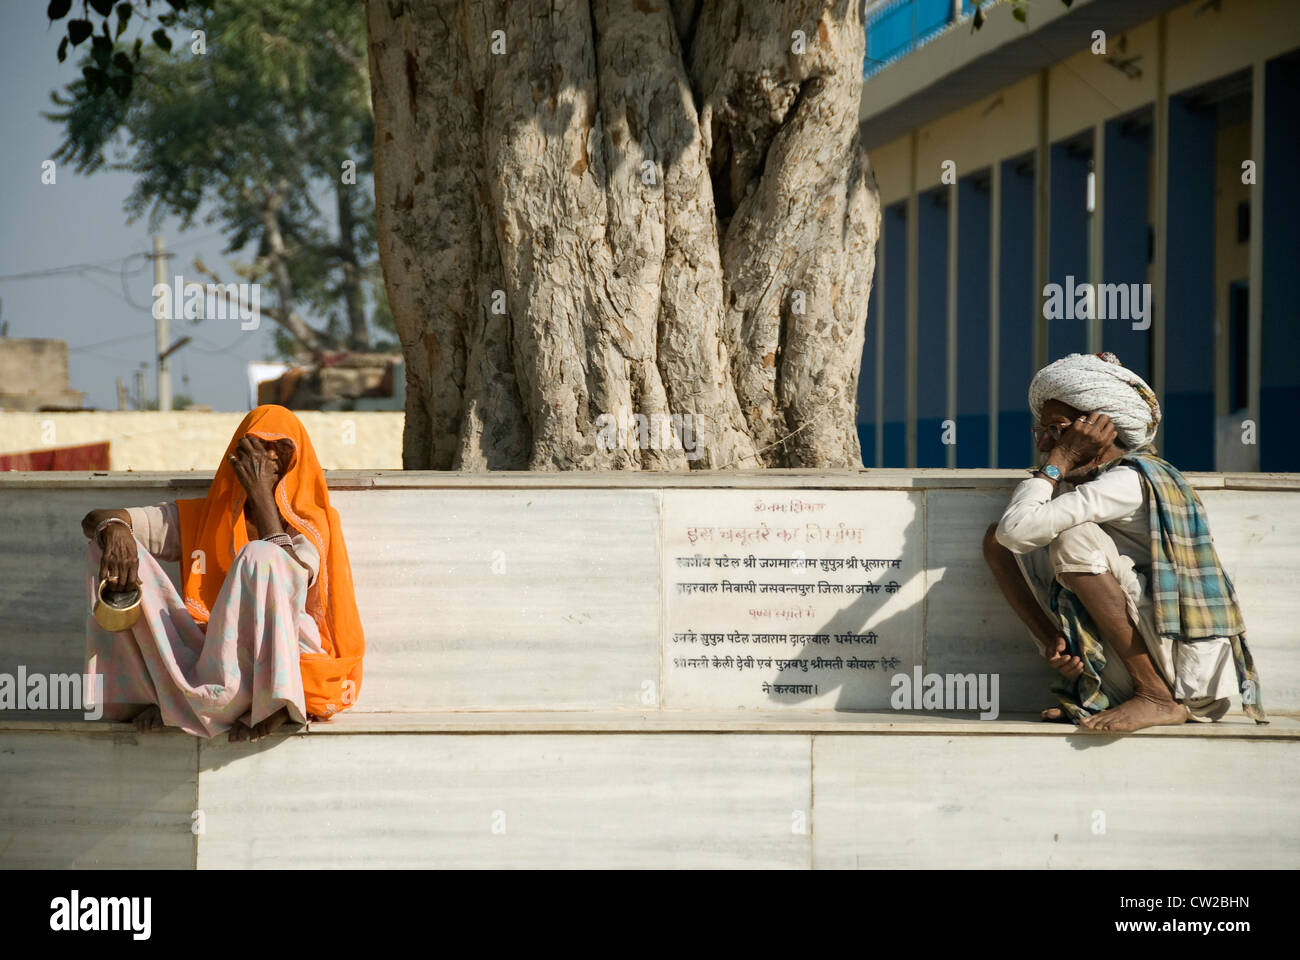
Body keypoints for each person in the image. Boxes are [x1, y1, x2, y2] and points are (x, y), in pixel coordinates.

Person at [982, 352, 1265, 732]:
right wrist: (1049, 639)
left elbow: (1017, 528)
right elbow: (1002, 540)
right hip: (1134, 655)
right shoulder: (1086, 481)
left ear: (1099, 430)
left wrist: (1060, 459)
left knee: (1072, 538)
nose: (1044, 445)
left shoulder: (1127, 481)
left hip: (1181, 671)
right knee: (1001, 541)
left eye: (1056, 429)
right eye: (1042, 432)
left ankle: (1154, 697)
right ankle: (1117, 690)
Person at [81, 404, 365, 742]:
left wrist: (261, 497)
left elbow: (290, 580)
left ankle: (271, 703)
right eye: (258, 446)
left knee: (262, 554)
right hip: (213, 657)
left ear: (296, 461)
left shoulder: (311, 523)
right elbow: (96, 517)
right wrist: (114, 530)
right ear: (237, 456)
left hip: (287, 656)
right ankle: (151, 697)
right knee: (103, 545)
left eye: (280, 449)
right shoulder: (206, 516)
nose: (269, 457)